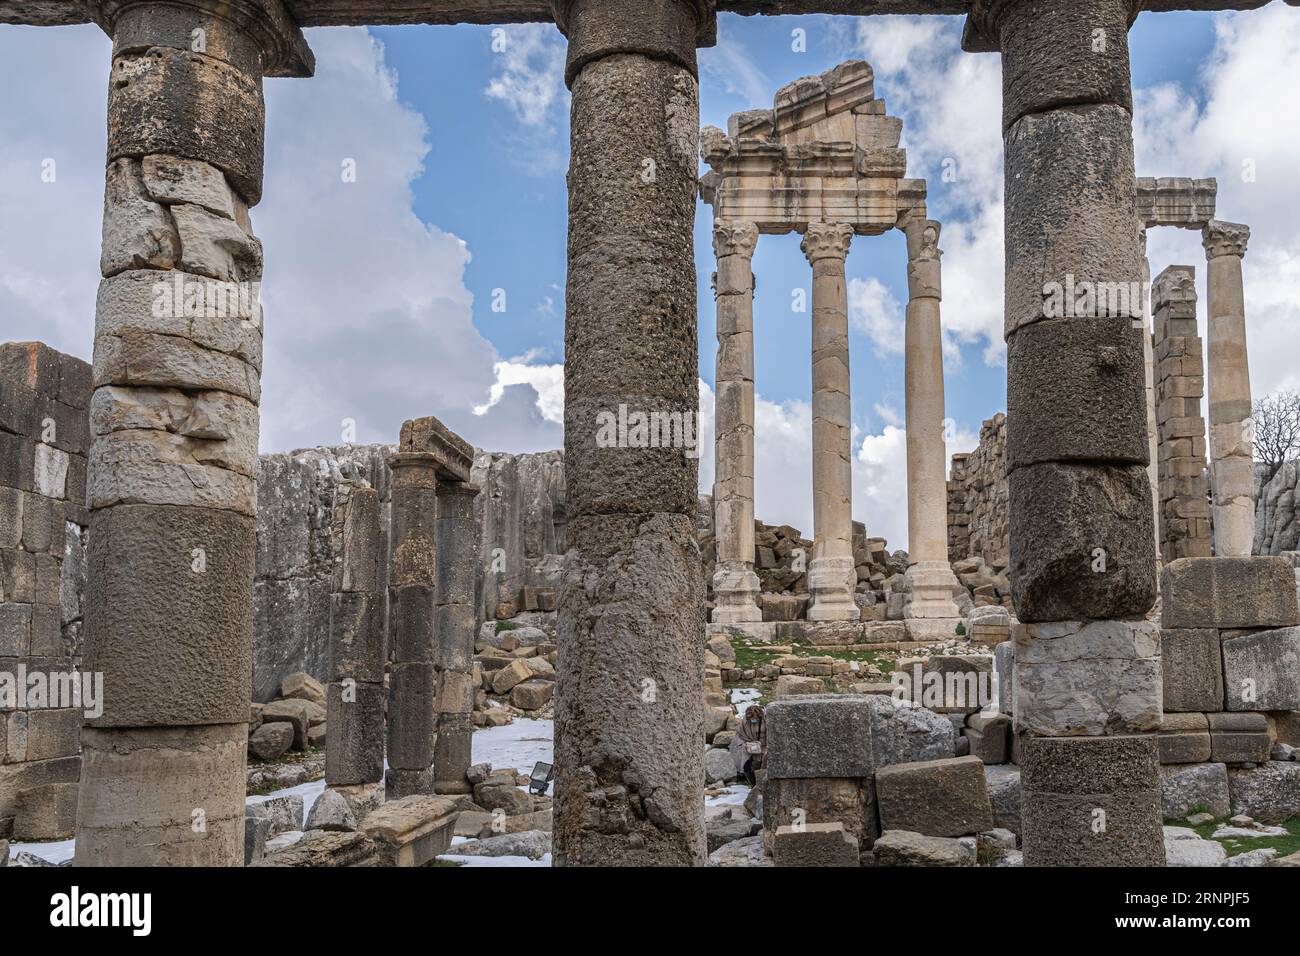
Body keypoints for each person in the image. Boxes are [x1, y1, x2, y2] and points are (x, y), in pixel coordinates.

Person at [736, 704, 766, 788]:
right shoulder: (745, 721)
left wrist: (766, 747)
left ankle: (763, 787)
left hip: (764, 747)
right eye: (751, 719)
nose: (753, 720)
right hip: (749, 747)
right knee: (746, 768)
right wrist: (743, 744)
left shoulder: (767, 720)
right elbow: (739, 733)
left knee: (762, 768)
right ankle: (754, 787)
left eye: (754, 718)